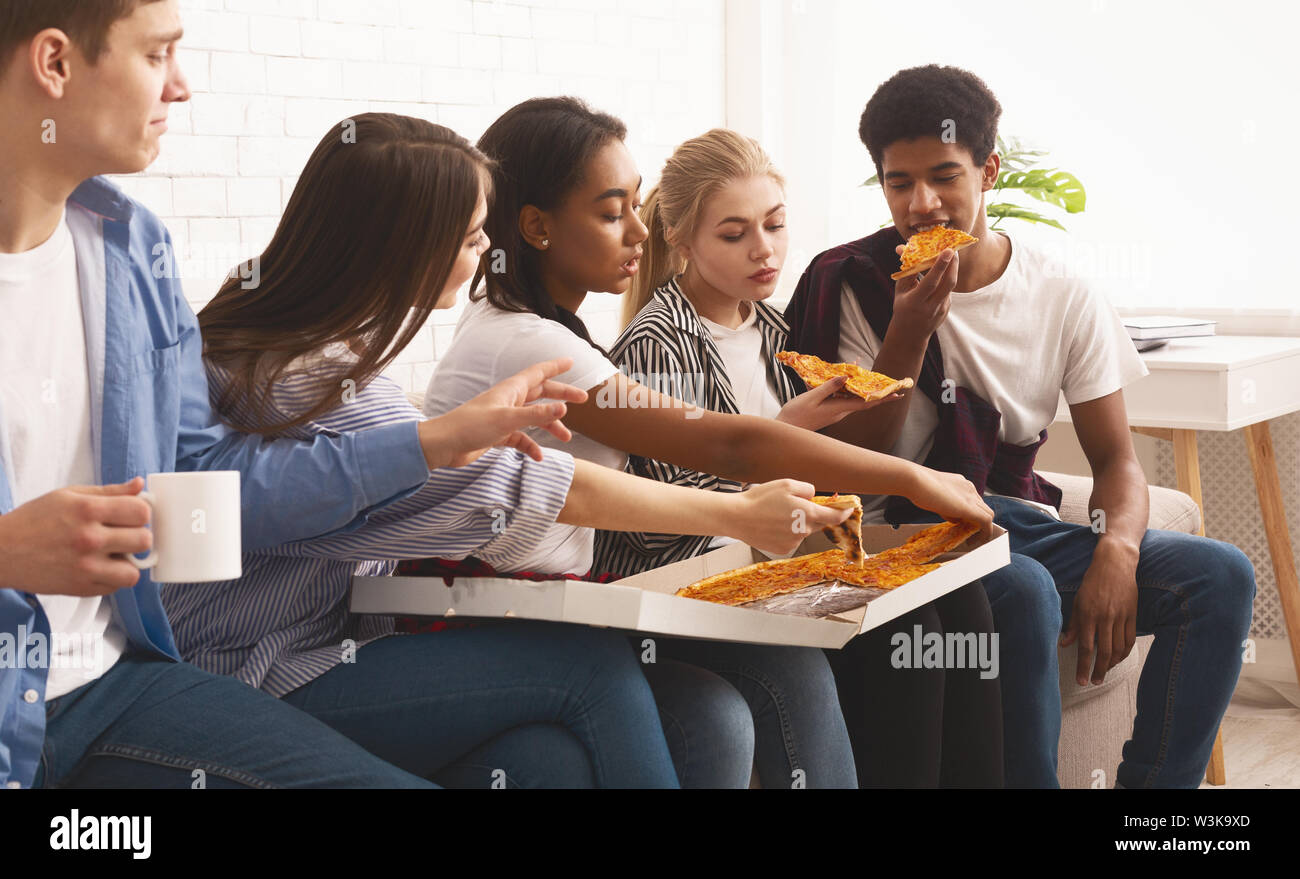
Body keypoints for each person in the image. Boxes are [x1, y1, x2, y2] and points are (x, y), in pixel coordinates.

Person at [167, 112, 849, 789]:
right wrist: (740, 513)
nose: (479, 255)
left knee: (551, 759)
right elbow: (546, 485)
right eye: (469, 237)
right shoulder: (321, 377)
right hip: (271, 667)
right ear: (406, 246)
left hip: (338, 641)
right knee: (594, 670)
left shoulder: (308, 349)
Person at [0, 0, 581, 789]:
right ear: (56, 63)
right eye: (157, 54)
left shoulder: (131, 249)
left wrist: (427, 444)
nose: (182, 86)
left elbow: (210, 482)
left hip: (115, 685)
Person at [423, 96, 996, 788]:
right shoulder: (530, 342)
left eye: (636, 206)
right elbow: (725, 448)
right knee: (799, 664)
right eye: (613, 213)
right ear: (537, 227)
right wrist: (908, 478)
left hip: (581, 603)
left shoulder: (554, 333)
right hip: (550, 612)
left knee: (943, 605)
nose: (640, 231)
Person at [783, 64, 1257, 788]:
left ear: (989, 171)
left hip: (1007, 519)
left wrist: (1117, 552)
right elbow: (836, 463)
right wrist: (906, 334)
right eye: (898, 182)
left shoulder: (1061, 293)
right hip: (894, 533)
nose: (922, 203)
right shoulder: (849, 280)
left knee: (1222, 576)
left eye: (945, 176)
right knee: (1025, 586)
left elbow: (1117, 462)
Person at [601, 127, 1003, 787]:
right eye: (734, 235)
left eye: (776, 225)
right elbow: (668, 524)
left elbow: (813, 481)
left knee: (959, 605)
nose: (764, 250)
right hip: (687, 590)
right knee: (905, 634)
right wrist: (783, 432)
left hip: (777, 571)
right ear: (681, 241)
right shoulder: (656, 341)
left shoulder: (776, 332)